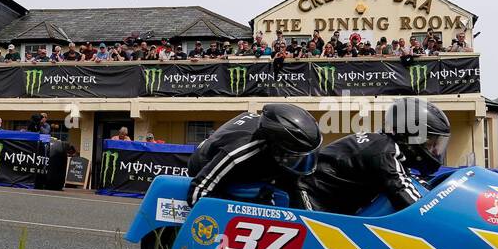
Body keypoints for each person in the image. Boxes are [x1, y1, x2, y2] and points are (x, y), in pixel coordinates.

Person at [306, 98, 450, 216]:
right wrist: (443, 218)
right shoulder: (384, 151)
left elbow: (412, 181)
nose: (435, 151)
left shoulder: (382, 144)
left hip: (325, 203)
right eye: (431, 143)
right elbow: (412, 202)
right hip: (313, 203)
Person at [186, 103, 321, 207]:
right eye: (294, 157)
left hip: (255, 164)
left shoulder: (281, 154)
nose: (304, 162)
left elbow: (297, 193)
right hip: (204, 164)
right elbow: (197, 192)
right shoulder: (239, 152)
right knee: (261, 197)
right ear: (274, 147)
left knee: (282, 196)